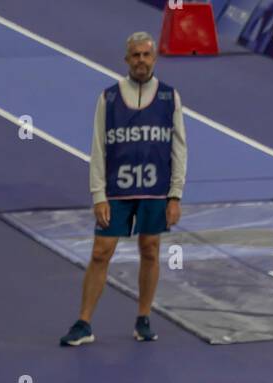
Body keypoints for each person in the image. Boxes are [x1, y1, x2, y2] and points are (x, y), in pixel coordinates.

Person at [59, 32, 187, 346]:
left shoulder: (170, 97)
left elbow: (179, 149)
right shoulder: (109, 98)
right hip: (117, 190)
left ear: (154, 59)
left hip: (155, 191)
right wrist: (98, 194)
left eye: (146, 55)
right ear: (126, 60)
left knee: (150, 250)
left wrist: (175, 195)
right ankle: (84, 323)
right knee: (101, 252)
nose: (141, 60)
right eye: (135, 55)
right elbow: (98, 148)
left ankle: (143, 318)